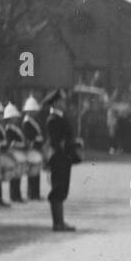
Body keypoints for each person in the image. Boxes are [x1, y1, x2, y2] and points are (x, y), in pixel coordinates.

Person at [42, 89, 75, 231]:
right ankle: (57, 223)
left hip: (64, 158)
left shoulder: (60, 117)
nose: (64, 103)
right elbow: (56, 142)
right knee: (57, 190)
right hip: (58, 158)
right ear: (55, 103)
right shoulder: (52, 120)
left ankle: (60, 221)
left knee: (62, 189)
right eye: (61, 101)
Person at [21, 97, 45, 201]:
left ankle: (35, 193)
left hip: (36, 148)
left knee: (36, 172)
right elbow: (28, 137)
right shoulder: (27, 122)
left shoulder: (32, 121)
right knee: (32, 172)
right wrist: (37, 139)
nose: (35, 113)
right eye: (33, 111)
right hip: (32, 148)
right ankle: (32, 194)